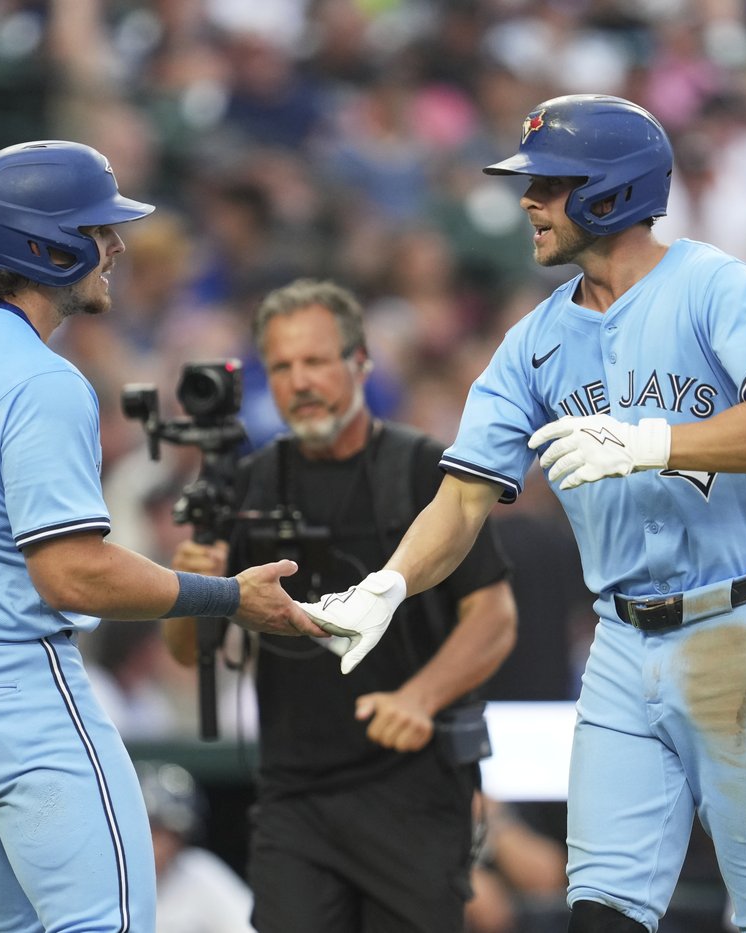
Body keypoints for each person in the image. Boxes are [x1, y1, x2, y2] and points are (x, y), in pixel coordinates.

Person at [299, 97, 746, 933]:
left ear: (610, 192)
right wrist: (389, 583)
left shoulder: (713, 284)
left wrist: (655, 441)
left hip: (739, 628)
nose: (529, 203)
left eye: (548, 184)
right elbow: (463, 496)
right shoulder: (532, 343)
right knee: (601, 917)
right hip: (620, 647)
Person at [0, 140, 325, 933]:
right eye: (98, 228)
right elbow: (72, 574)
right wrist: (229, 597)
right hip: (14, 684)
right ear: (46, 243)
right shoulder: (40, 379)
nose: (117, 247)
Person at [167, 278, 517, 933]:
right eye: (282, 366)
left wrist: (420, 696)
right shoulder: (246, 483)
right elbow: (189, 653)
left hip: (413, 792)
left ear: (360, 362)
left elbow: (495, 616)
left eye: (316, 361)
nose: (300, 382)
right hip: (293, 796)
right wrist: (201, 590)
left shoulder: (422, 470)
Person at [135, 759, 257, 933]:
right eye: (151, 832)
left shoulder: (197, 871)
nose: (159, 847)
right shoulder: (102, 881)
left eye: (170, 836)